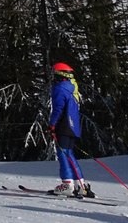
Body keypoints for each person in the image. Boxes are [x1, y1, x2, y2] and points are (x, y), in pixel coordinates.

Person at [49, 62, 93, 198]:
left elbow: (58, 109)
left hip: (63, 126)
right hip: (73, 126)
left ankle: (67, 185)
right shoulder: (71, 87)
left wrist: (52, 124)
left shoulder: (60, 88)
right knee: (69, 154)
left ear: (59, 75)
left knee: (63, 155)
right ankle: (81, 185)